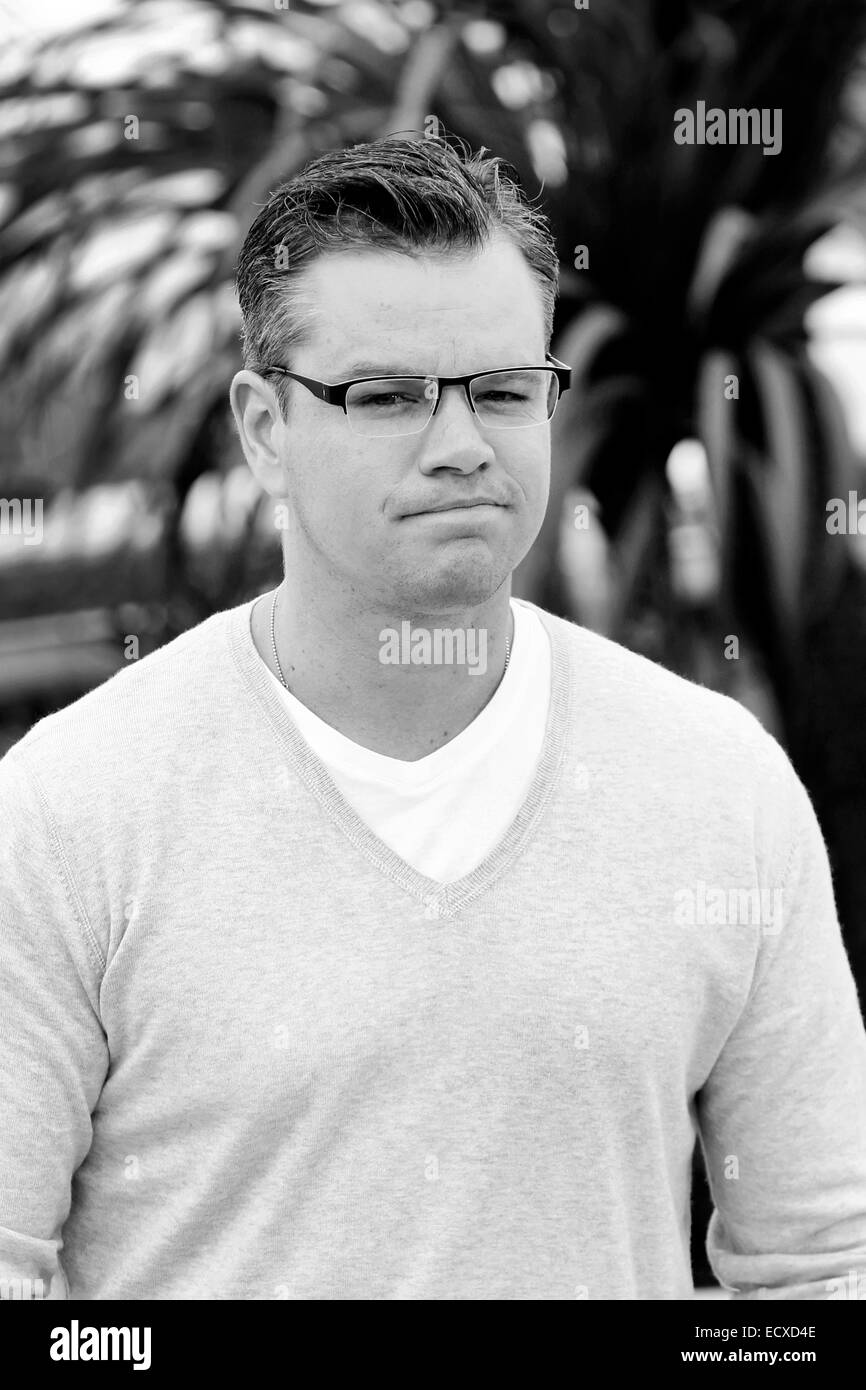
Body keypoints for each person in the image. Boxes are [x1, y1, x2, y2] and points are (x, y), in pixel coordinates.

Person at [1, 134, 865, 1302]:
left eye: (504, 391)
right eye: (387, 396)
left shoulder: (719, 786)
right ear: (264, 428)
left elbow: (817, 1269)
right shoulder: (70, 810)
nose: (461, 446)